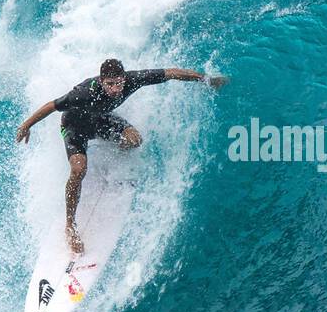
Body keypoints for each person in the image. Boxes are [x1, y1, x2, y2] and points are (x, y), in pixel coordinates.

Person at [16, 58, 228, 254]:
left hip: (100, 120)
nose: (116, 89)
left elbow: (170, 72)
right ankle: (70, 226)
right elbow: (52, 106)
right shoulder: (82, 94)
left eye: (118, 83)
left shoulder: (132, 80)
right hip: (74, 128)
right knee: (79, 170)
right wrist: (26, 125)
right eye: (110, 84)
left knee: (134, 140)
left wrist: (206, 79)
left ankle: (108, 152)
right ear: (101, 81)